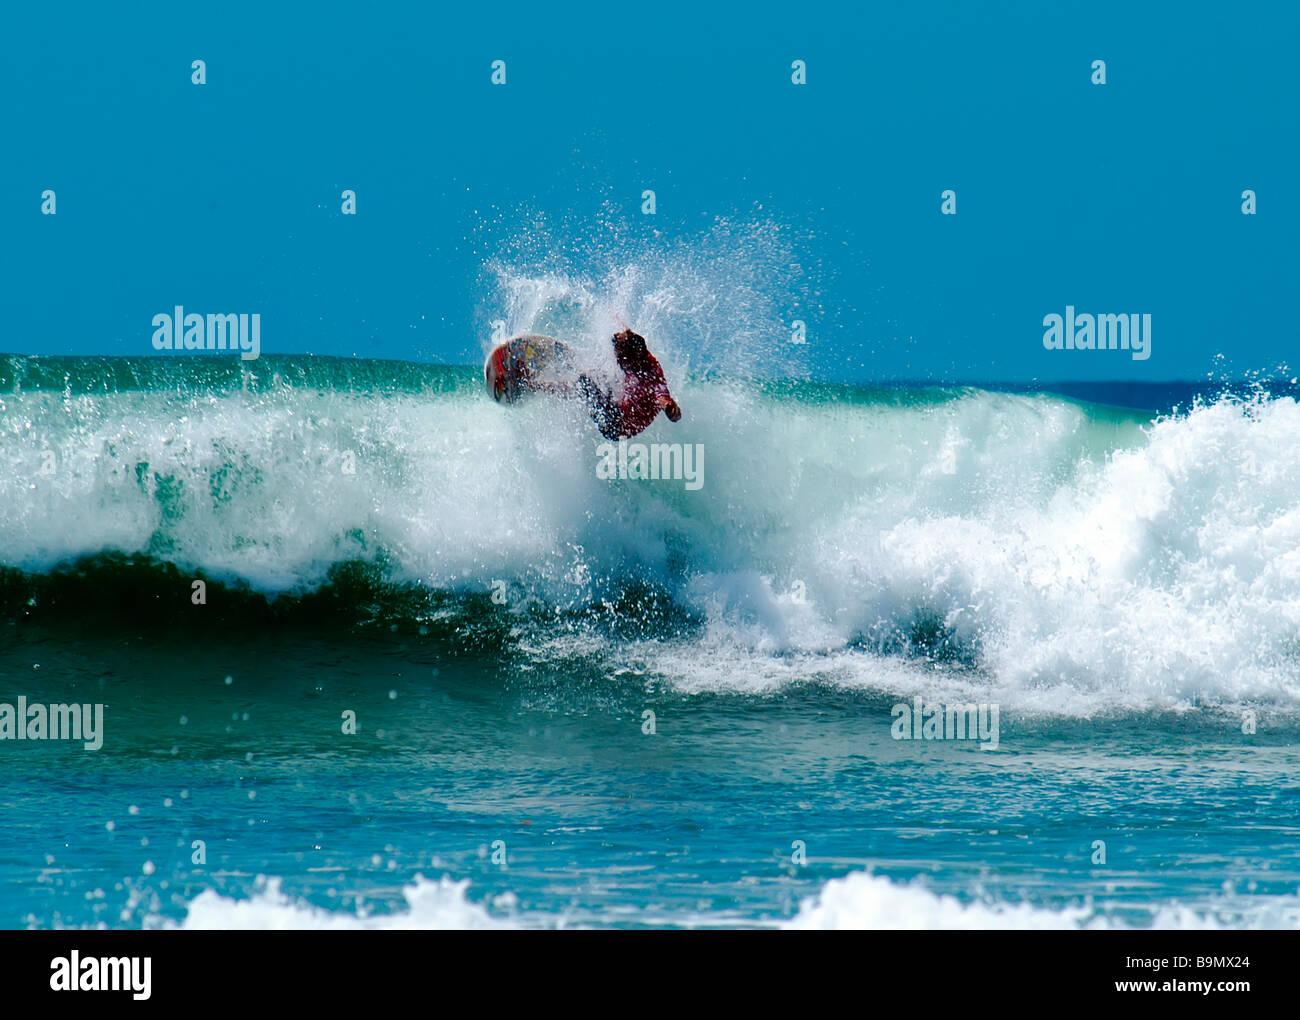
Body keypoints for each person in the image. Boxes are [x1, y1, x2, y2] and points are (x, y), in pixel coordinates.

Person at [578, 330, 681, 440]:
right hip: (617, 407)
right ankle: (570, 368)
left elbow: (663, 398)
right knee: (600, 375)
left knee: (585, 382)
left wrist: (670, 409)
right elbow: (626, 335)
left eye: (621, 357)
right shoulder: (632, 348)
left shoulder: (653, 376)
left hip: (617, 428)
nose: (618, 359)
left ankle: (563, 387)